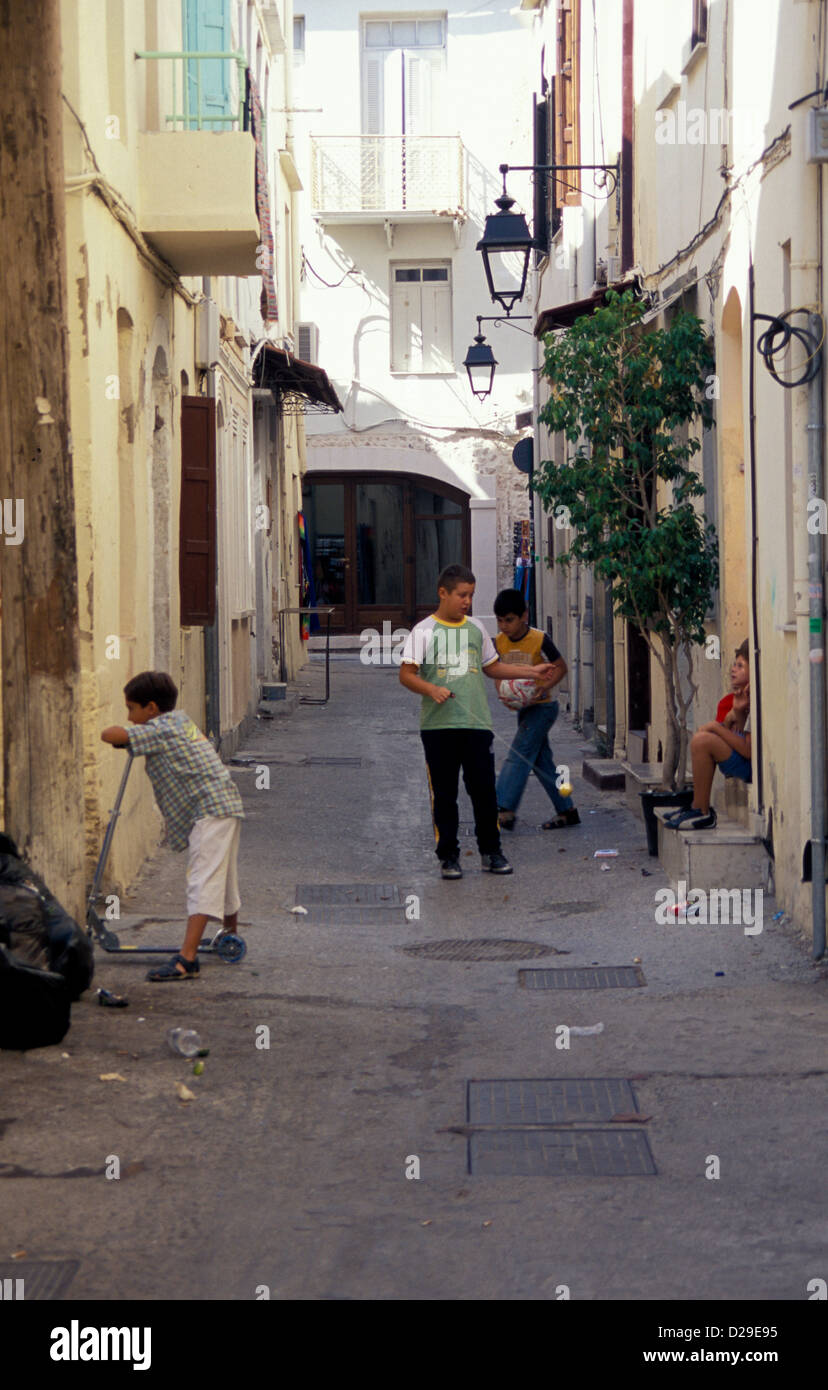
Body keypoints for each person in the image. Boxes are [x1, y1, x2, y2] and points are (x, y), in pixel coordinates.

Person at [399, 564, 555, 879]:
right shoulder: (423, 631)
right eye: (462, 595)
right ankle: (449, 857)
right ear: (443, 593)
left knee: (484, 792)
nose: (467, 601)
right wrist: (431, 689)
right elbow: (406, 674)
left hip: (477, 725)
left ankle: (491, 852)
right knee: (444, 795)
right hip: (438, 727)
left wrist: (532, 671)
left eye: (471, 595)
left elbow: (493, 668)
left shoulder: (475, 630)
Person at [101, 671, 244, 980]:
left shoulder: (159, 729)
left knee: (202, 880)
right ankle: (228, 935)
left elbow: (110, 735)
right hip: (224, 804)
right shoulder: (180, 721)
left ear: (151, 708)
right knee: (224, 875)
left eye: (131, 709)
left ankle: (187, 960)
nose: (130, 716)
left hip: (209, 809)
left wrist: (124, 731)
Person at [492, 588, 580, 831]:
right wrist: (502, 691)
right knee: (542, 762)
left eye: (509, 620)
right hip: (523, 708)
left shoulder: (540, 639)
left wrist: (545, 687)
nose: (504, 626)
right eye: (499, 620)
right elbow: (496, 670)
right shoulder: (498, 642)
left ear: (524, 616)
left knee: (518, 752)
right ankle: (567, 809)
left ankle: (503, 808)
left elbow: (561, 667)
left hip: (543, 708)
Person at [666, 641, 751, 830]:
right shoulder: (734, 701)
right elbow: (733, 734)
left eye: (741, 666)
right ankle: (698, 805)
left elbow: (748, 750)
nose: (733, 670)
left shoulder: (756, 700)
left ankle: (701, 809)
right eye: (734, 665)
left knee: (702, 740)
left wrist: (715, 727)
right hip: (736, 761)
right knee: (701, 739)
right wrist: (733, 715)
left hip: (750, 766)